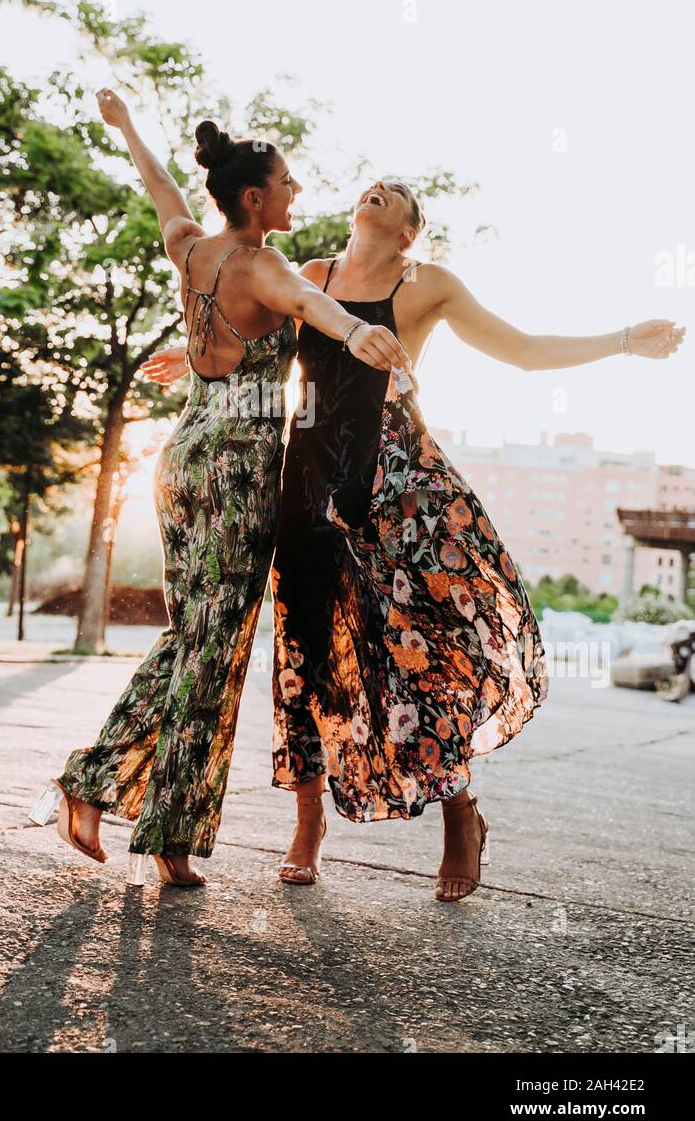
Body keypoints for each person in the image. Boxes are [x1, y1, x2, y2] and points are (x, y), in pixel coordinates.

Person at [143, 175, 685, 900]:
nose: (377, 188)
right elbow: (249, 335)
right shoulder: (309, 277)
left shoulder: (428, 284)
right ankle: (307, 827)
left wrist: (623, 340)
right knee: (305, 649)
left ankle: (461, 814)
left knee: (414, 655)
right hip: (305, 480)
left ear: (407, 232)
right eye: (371, 184)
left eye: (392, 192)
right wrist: (191, 353)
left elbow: (520, 350)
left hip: (398, 488)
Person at [29, 96, 411, 888]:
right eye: (284, 183)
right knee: (214, 643)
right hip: (237, 466)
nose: (296, 191)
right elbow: (313, 306)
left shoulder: (191, 249)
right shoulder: (266, 266)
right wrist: (360, 332)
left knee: (192, 635)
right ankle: (126, 807)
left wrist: (128, 130)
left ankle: (119, 801)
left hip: (184, 456)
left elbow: (161, 190)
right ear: (253, 199)